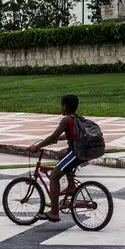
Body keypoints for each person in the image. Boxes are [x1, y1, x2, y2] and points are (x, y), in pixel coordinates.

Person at [26, 94, 82, 223]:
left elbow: (53, 136)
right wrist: (59, 138)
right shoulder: (77, 118)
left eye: (61, 105)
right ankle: (71, 186)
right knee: (62, 154)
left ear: (65, 106)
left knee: (54, 176)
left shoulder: (66, 120)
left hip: (76, 153)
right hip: (81, 151)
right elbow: (72, 135)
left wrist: (38, 146)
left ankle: (54, 213)